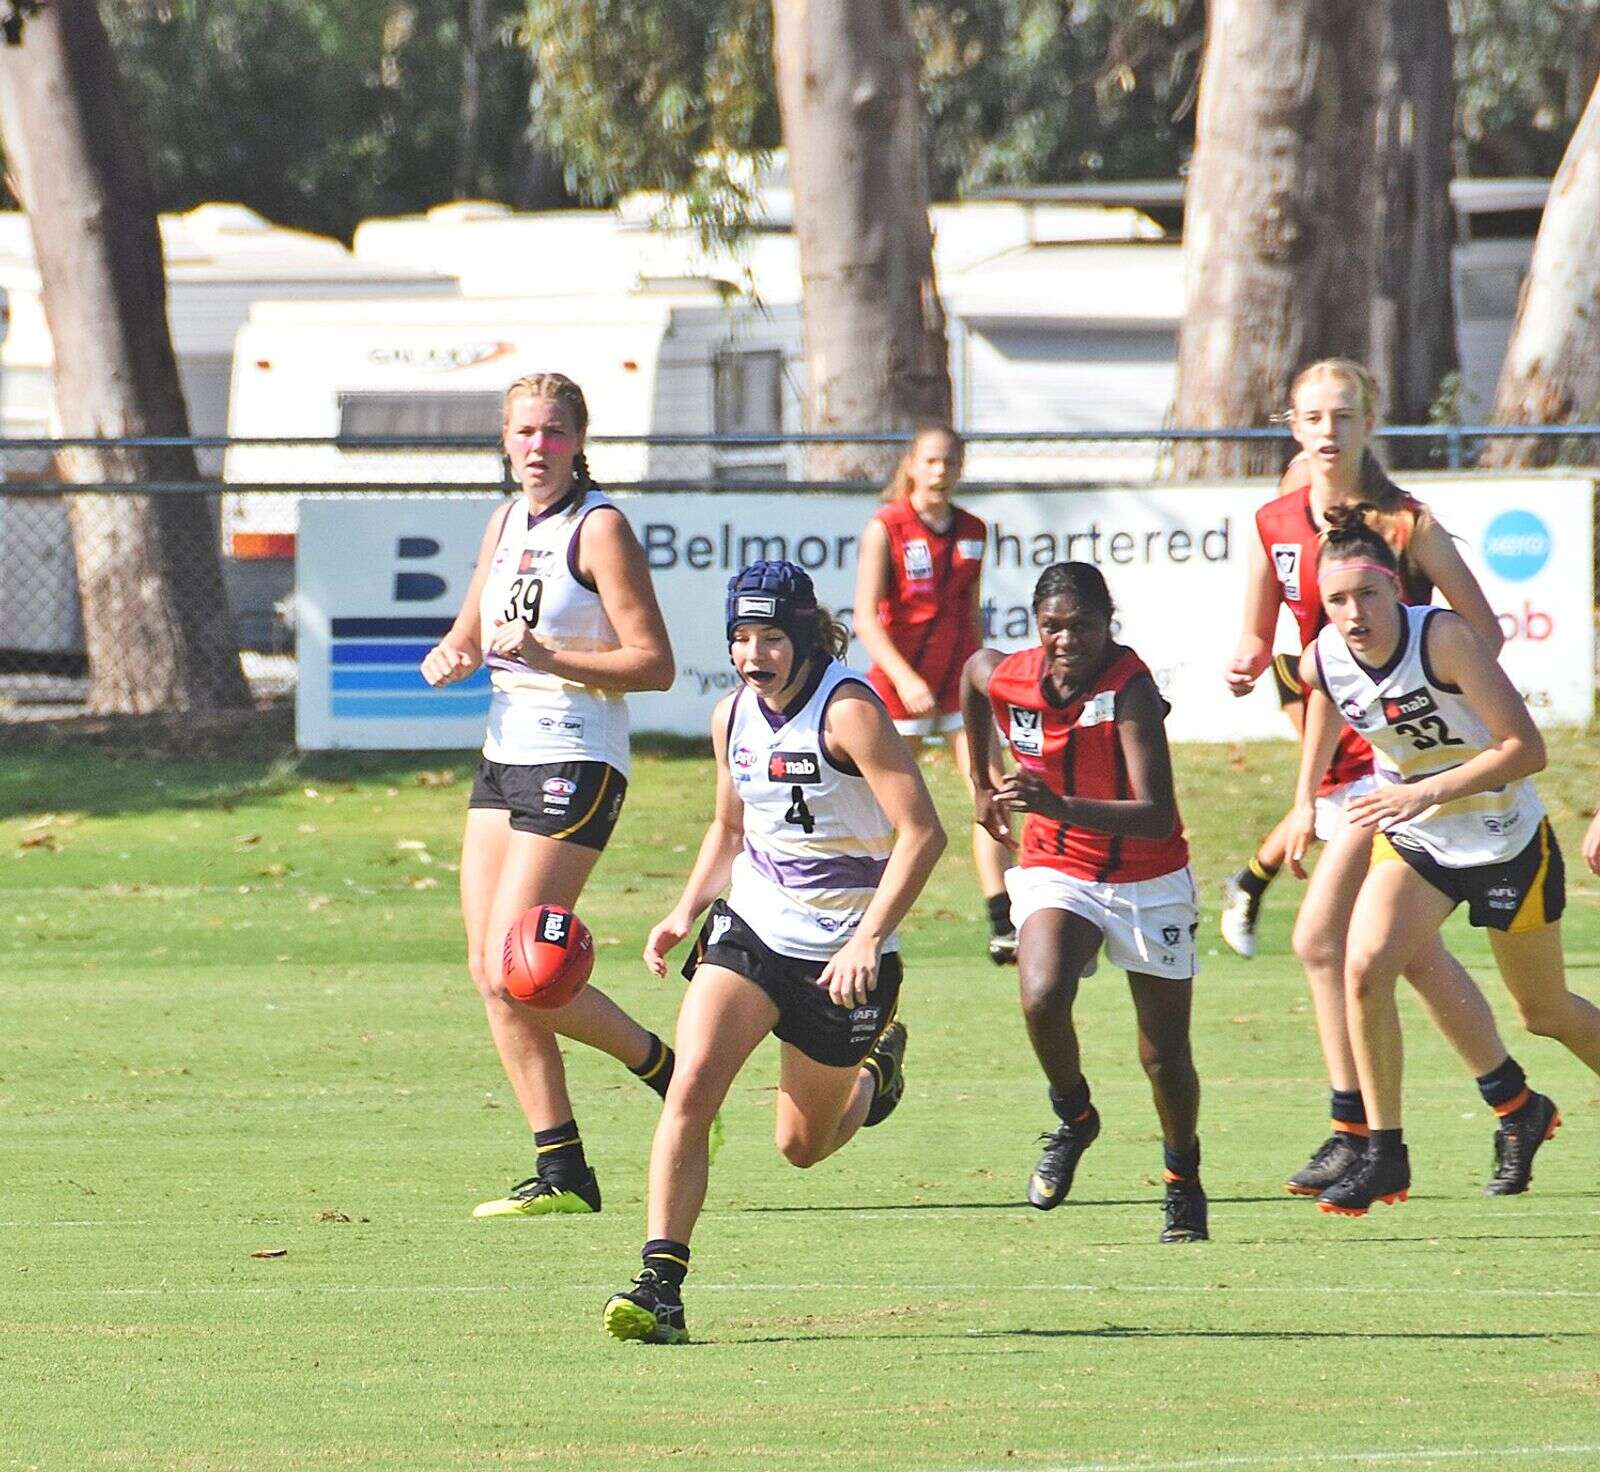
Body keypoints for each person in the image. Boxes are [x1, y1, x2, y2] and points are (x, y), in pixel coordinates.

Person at [1225, 358, 1549, 1200]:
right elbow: (1278, 643)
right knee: (1380, 954)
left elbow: (1479, 637)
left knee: (1334, 944)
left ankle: (1362, 1132)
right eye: (1313, 415)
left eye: (1345, 414)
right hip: (1337, 760)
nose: (1329, 430)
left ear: (1370, 422)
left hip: (1401, 771)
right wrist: (1253, 660)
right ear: (1291, 424)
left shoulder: (1405, 524)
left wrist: (1420, 718)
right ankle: (1497, 1105)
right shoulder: (1271, 520)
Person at [603, 561, 946, 1345]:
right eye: (740, 638)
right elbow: (729, 830)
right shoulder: (731, 717)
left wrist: (868, 939)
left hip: (844, 958)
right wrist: (683, 912)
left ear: (801, 636)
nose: (753, 655)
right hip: (754, 930)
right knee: (690, 1088)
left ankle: (874, 1080)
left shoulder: (850, 711)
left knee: (801, 1147)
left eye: (769, 638)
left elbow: (924, 834)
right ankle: (661, 1286)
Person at [420, 371, 680, 1219]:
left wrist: (552, 658)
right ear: (505, 440)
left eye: (555, 432)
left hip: (577, 756)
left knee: (517, 966)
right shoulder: (503, 521)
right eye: (526, 431)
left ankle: (669, 1073)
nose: (539, 446)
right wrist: (454, 654)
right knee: (486, 969)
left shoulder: (599, 529)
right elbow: (471, 628)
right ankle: (563, 1167)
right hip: (505, 754)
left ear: (580, 440)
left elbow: (654, 664)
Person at [1285, 518, 1600, 1215]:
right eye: (1336, 600)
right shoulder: (1326, 654)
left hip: (1503, 838)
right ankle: (1384, 1154)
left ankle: (1513, 1106)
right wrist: (1303, 800)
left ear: (1394, 588)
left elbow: (1526, 749)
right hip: (1420, 839)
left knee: (1544, 1012)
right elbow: (1317, 689)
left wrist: (1424, 789)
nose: (1353, 614)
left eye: (1367, 595)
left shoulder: (1444, 638)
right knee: (1363, 966)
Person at [963, 562, 1209, 1244]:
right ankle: (1074, 1115)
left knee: (1164, 1058)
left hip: (1148, 878)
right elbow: (972, 676)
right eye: (1054, 627)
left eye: (1083, 627)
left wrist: (1056, 803)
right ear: (1038, 627)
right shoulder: (1013, 673)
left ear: (1109, 625)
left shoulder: (1129, 690)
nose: (1067, 640)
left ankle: (1182, 1176)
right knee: (1041, 992)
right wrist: (982, 781)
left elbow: (1157, 815)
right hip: (1058, 865)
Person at [854, 424, 1016, 963]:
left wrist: (983, 678)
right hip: (900, 690)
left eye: (950, 462)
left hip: (957, 687)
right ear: (912, 466)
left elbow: (970, 613)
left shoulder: (974, 530)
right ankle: (858, 917)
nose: (941, 471)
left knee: (993, 791)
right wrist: (903, 676)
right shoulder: (887, 527)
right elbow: (866, 619)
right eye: (931, 462)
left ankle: (1004, 921)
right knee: (879, 812)